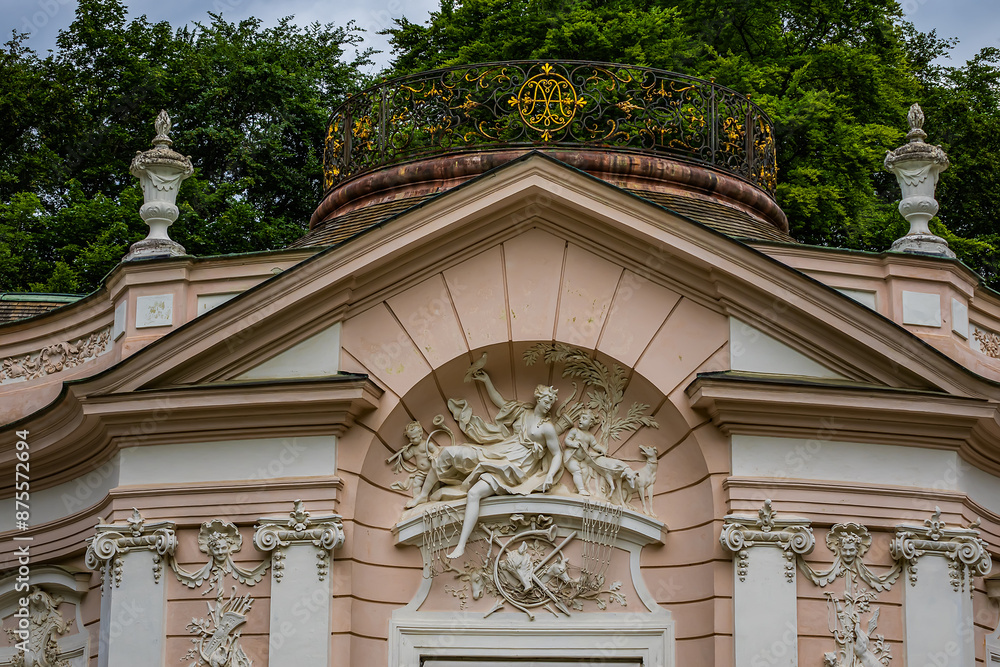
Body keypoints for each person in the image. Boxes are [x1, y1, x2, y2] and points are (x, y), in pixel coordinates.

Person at [406, 365, 566, 559]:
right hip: (496, 452)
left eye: (551, 402)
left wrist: (549, 475)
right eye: (547, 400)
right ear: (538, 398)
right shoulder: (523, 412)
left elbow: (557, 454)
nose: (549, 404)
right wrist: (486, 381)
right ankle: (423, 495)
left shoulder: (547, 428)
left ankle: (461, 545)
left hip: (512, 468)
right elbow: (500, 401)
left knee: (474, 493)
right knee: (446, 453)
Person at [387, 421, 439, 499]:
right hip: (421, 472)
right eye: (410, 438)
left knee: (435, 485)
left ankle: (435, 498)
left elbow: (437, 451)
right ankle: (417, 498)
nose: (411, 441)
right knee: (416, 484)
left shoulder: (427, 444)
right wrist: (404, 451)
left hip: (432, 470)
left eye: (413, 438)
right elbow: (407, 457)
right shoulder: (413, 448)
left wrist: (432, 456)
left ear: (420, 435)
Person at [563, 409, 599, 495]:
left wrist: (602, 449)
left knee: (585, 472)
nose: (580, 420)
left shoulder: (590, 436)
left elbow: (594, 445)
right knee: (576, 471)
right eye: (580, 418)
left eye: (584, 418)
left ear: (591, 423)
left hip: (581, 460)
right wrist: (573, 444)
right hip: (570, 457)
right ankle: (581, 489)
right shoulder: (575, 431)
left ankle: (577, 487)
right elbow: (567, 440)